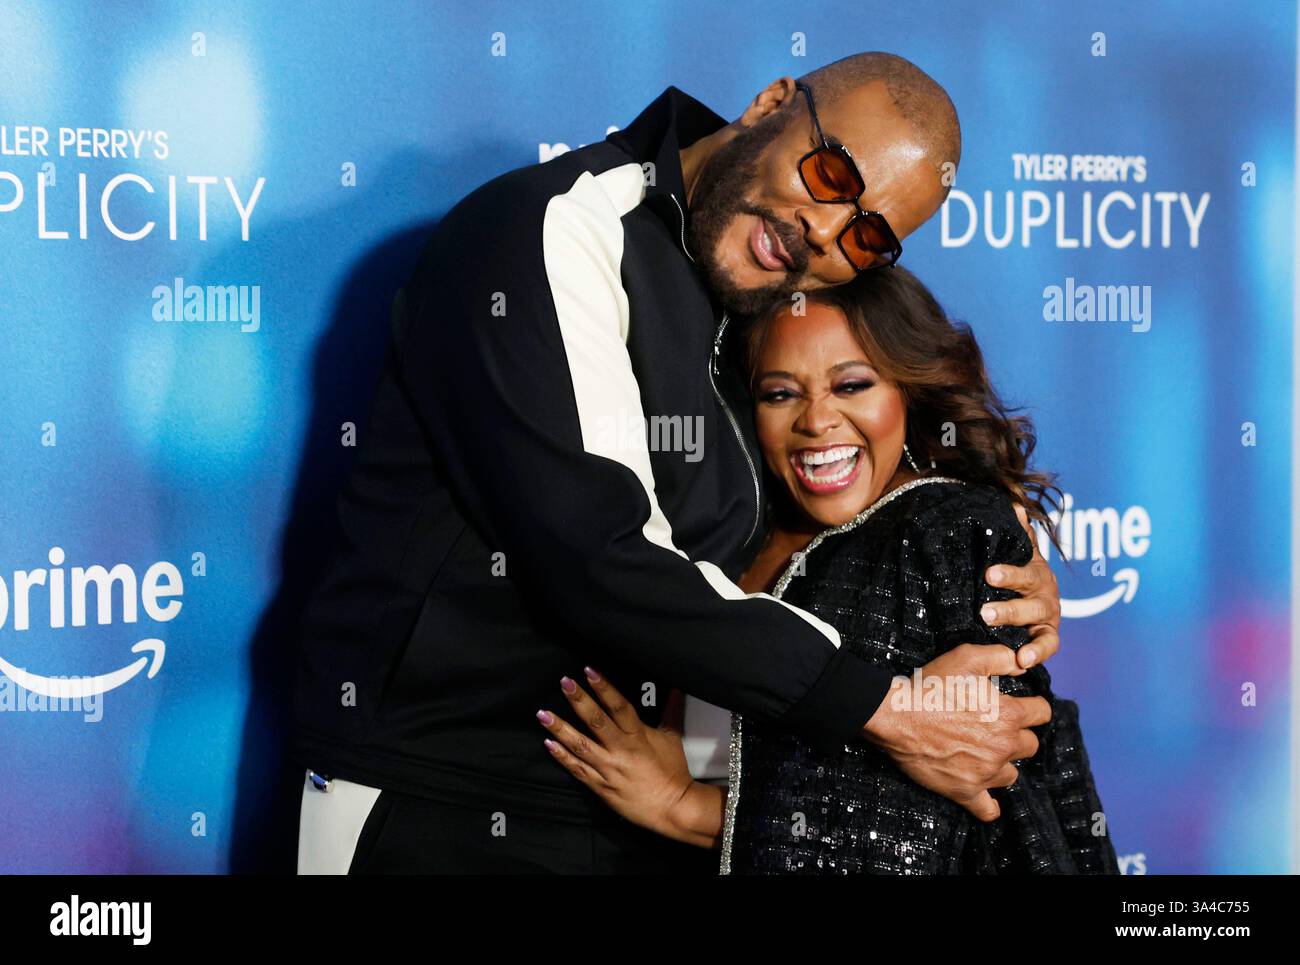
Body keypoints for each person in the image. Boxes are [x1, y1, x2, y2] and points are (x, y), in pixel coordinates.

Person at [291, 52, 1062, 874]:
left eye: (868, 235)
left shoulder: (767, 298)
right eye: (831, 173)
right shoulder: (557, 229)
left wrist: (995, 552)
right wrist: (887, 710)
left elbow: (826, 478)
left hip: (655, 817)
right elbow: (600, 553)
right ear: (772, 102)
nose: (825, 231)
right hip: (443, 801)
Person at [537, 267, 1119, 874]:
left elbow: (981, 815)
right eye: (780, 393)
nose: (816, 421)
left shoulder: (946, 534)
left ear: (908, 391)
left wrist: (687, 808)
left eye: (853, 385)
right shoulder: (731, 530)